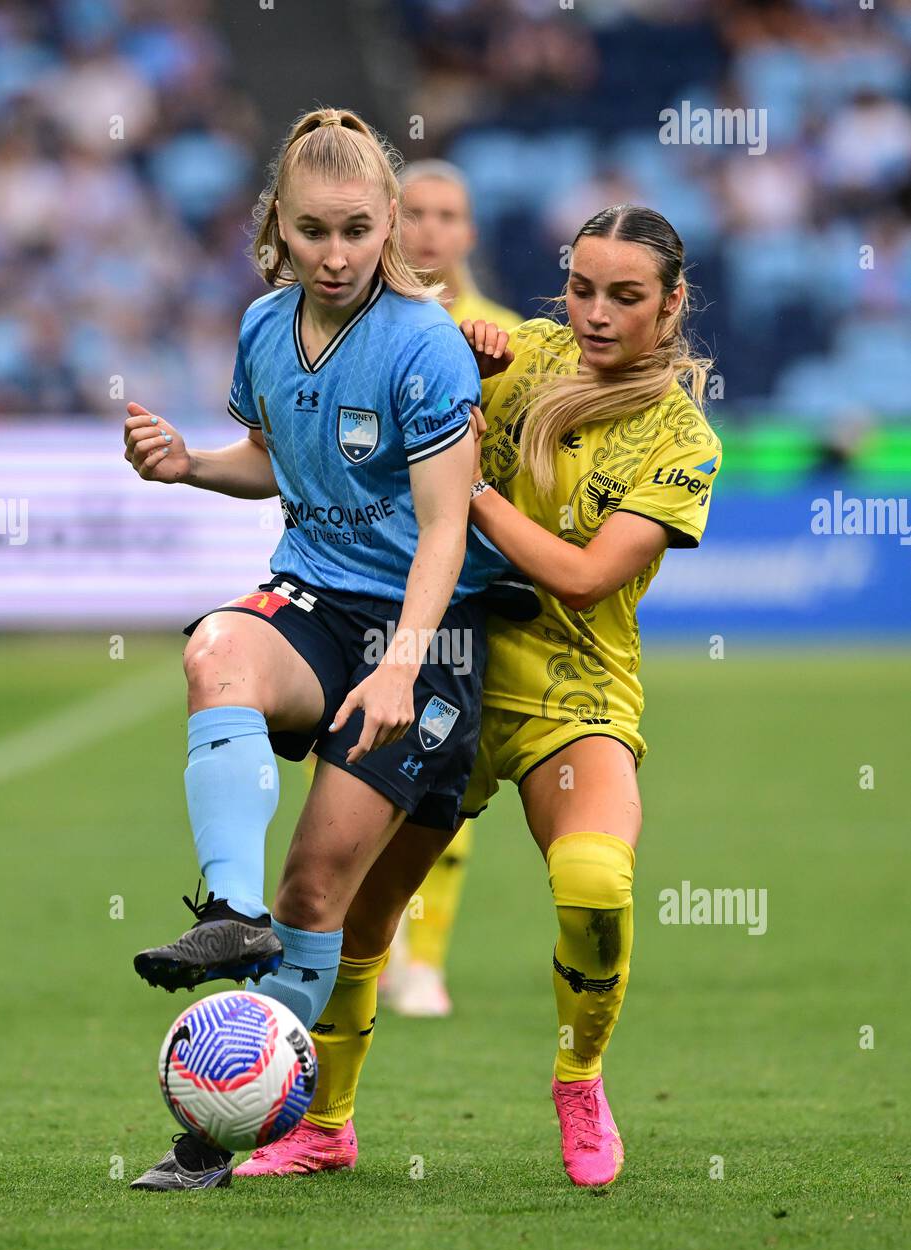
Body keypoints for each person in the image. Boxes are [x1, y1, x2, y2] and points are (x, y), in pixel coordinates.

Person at [233, 204, 721, 1188]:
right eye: (581, 288)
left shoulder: (682, 436)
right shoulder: (520, 357)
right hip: (437, 667)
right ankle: (325, 1123)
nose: (593, 312)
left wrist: (461, 480)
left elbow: (583, 577)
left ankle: (579, 1077)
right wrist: (458, 363)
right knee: (357, 916)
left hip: (570, 688)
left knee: (594, 881)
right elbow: (394, 381)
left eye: (623, 296)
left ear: (671, 304)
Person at [123, 107, 527, 1192]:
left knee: (321, 895)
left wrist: (400, 661)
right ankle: (227, 915)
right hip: (313, 596)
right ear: (279, 231)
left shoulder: (425, 341)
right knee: (216, 648)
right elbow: (269, 456)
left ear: (390, 224)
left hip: (424, 633)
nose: (336, 253)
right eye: (313, 232)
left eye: (356, 229)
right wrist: (189, 466)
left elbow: (447, 524)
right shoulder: (263, 326)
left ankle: (221, 1130)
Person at [381, 160, 523, 1018]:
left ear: (468, 233)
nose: (431, 230)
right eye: (416, 213)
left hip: (464, 583)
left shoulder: (512, 335)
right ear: (393, 225)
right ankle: (369, 929)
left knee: (449, 767)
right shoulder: (365, 326)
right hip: (370, 576)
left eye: (448, 215)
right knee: (362, 761)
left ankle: (421, 956)